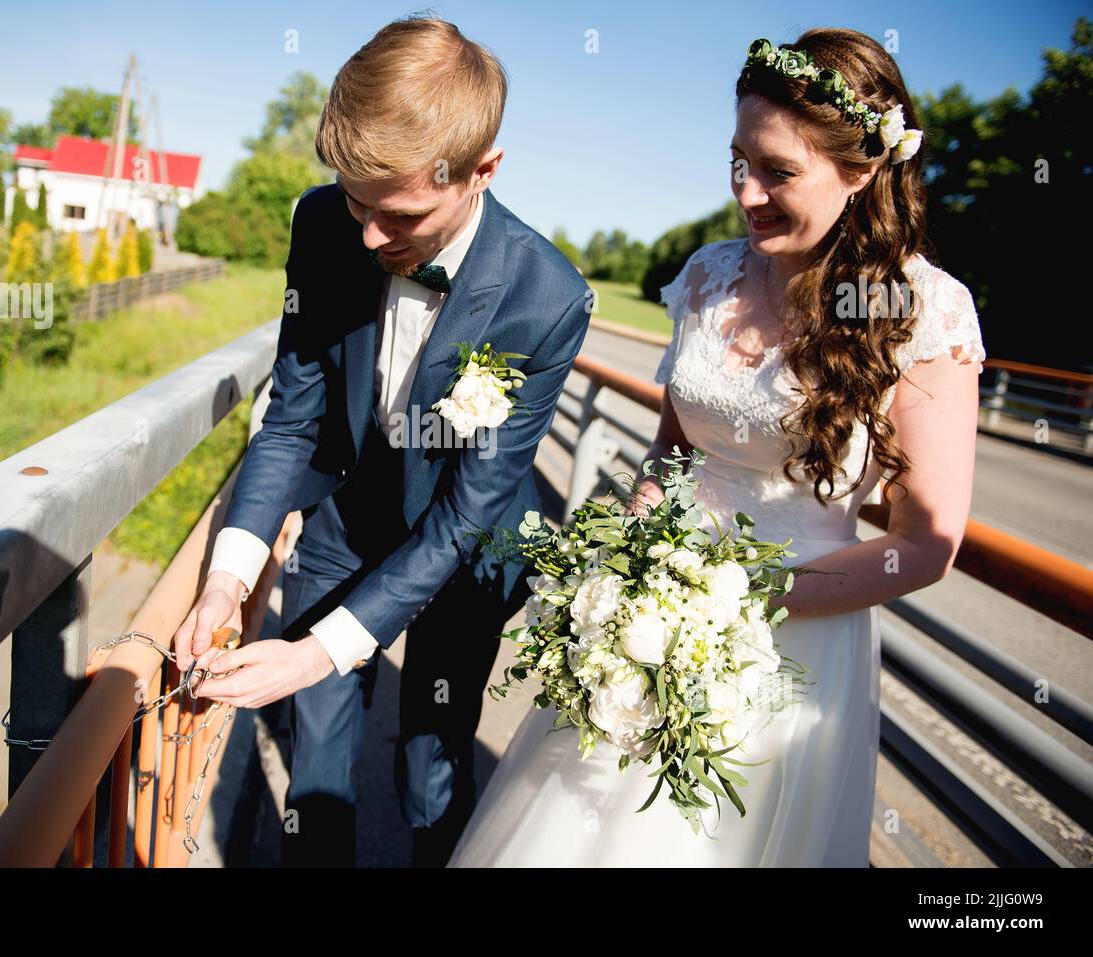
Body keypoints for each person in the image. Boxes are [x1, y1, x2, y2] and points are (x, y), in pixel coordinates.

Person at [449, 27, 985, 867]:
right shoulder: (707, 276)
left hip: (791, 646)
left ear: (865, 168)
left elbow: (924, 546)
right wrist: (627, 568)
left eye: (779, 171)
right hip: (651, 619)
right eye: (738, 160)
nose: (748, 192)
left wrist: (736, 600)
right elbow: (673, 451)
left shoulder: (927, 312)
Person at [172, 15, 591, 867]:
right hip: (342, 527)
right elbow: (292, 414)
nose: (366, 236)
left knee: (432, 763)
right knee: (315, 756)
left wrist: (314, 651)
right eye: (355, 202)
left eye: (395, 214)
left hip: (467, 555)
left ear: (482, 172)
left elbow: (467, 512)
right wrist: (227, 577)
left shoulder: (549, 299)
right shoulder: (323, 224)